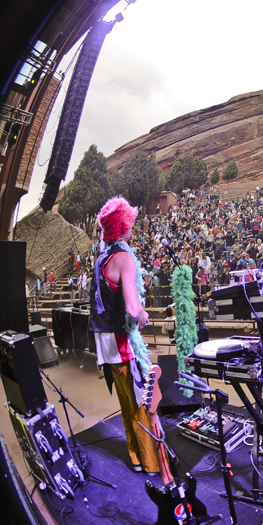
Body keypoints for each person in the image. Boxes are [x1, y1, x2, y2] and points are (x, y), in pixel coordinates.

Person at [88, 196, 172, 483]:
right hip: (121, 340)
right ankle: (151, 464)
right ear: (123, 226)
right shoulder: (123, 258)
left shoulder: (102, 258)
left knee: (126, 403)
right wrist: (144, 315)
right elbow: (133, 308)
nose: (133, 227)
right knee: (141, 402)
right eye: (130, 223)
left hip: (104, 341)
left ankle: (136, 458)